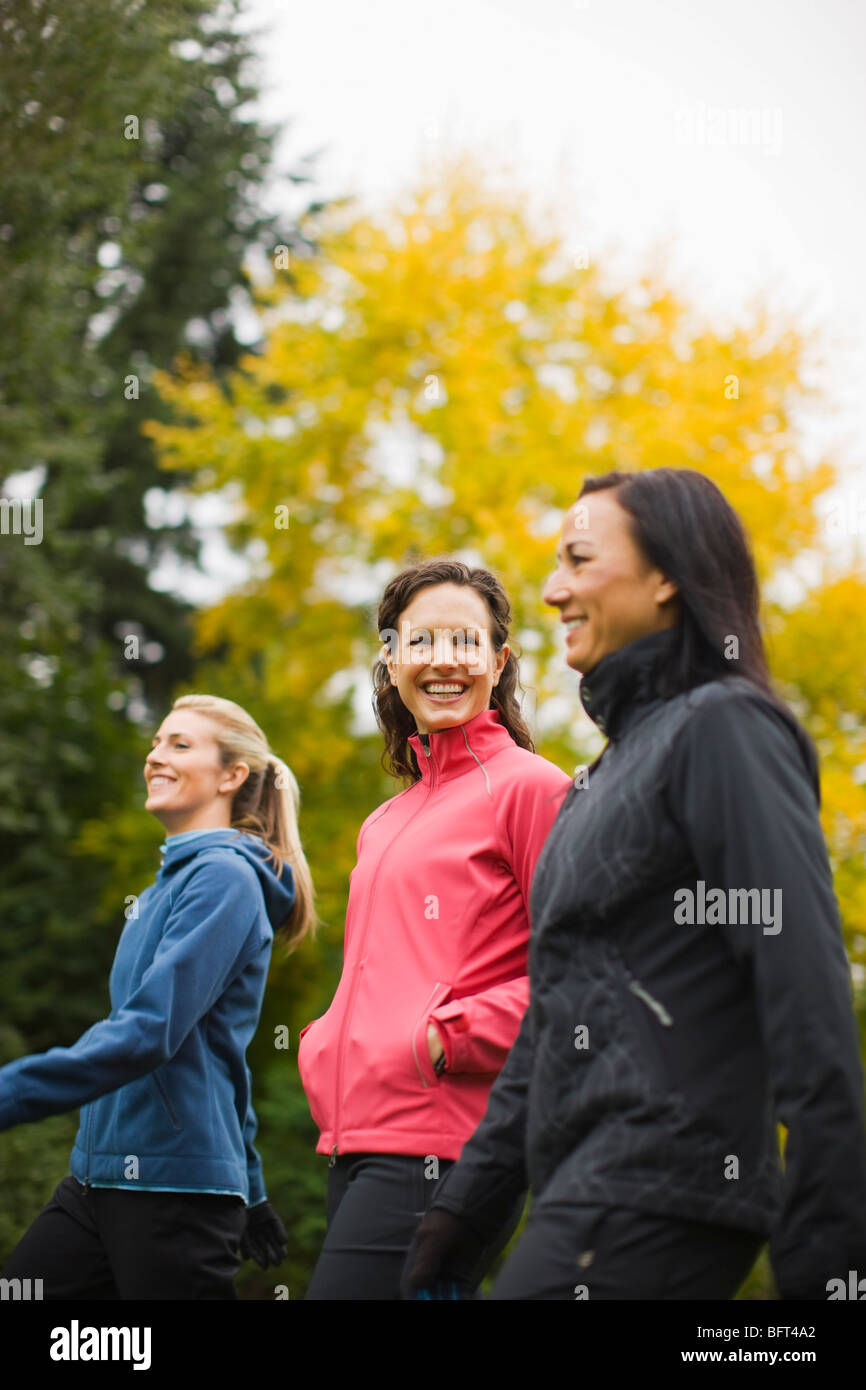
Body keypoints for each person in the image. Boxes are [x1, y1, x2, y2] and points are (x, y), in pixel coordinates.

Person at [402, 468, 866, 1301]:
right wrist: (462, 1213)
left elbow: (803, 984)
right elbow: (552, 1016)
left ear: (667, 578)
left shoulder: (724, 727)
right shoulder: (598, 781)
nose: (551, 591)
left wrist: (831, 1250)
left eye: (580, 560)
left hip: (661, 1188)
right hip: (584, 1189)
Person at [298, 558, 573, 1299]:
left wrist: (447, 1037)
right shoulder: (384, 820)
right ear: (391, 661)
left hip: (453, 1142)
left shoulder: (533, 789)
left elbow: (585, 973)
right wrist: (327, 1045)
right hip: (357, 1139)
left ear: (498, 661)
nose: (443, 660)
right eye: (420, 641)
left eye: (464, 640)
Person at [0, 693, 316, 1299]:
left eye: (179, 745)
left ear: (231, 775)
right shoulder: (165, 886)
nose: (155, 756)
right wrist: (251, 1187)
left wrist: (12, 1091)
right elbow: (219, 1054)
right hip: (98, 1179)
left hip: (172, 1193)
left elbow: (148, 1033)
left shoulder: (224, 879)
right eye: (155, 742)